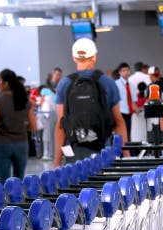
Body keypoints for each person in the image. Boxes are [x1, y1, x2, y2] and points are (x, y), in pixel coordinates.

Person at [55, 38, 127, 166]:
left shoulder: (64, 84)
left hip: (73, 151)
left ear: (74, 57)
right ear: (94, 57)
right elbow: (118, 121)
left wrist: (57, 161)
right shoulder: (107, 82)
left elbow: (61, 126)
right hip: (103, 150)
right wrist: (126, 156)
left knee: (75, 184)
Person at [0, 69, 37, 183]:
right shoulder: (25, 101)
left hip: (2, 143)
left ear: (6, 84)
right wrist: (21, 126)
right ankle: (18, 200)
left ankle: (4, 200)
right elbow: (33, 126)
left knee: (3, 180)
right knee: (18, 179)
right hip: (22, 143)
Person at [115, 62, 135, 140]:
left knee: (128, 131)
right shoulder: (116, 84)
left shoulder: (131, 85)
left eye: (127, 70)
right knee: (121, 132)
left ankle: (127, 149)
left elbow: (133, 99)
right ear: (120, 72)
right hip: (120, 111)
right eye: (123, 70)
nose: (126, 72)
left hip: (129, 112)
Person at [38, 84, 57, 160]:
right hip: (54, 114)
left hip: (47, 114)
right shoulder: (52, 94)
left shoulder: (44, 91)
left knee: (47, 135)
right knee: (52, 135)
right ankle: (52, 153)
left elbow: (41, 102)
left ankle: (47, 154)